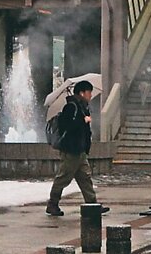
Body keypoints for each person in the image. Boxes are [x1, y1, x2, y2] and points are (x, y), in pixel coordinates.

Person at [46, 80, 107, 216]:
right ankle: (52, 204)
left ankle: (92, 204)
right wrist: (82, 120)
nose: (91, 95)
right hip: (71, 150)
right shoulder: (71, 107)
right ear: (82, 92)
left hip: (80, 150)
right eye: (89, 92)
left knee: (85, 178)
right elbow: (66, 126)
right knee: (63, 178)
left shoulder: (82, 107)